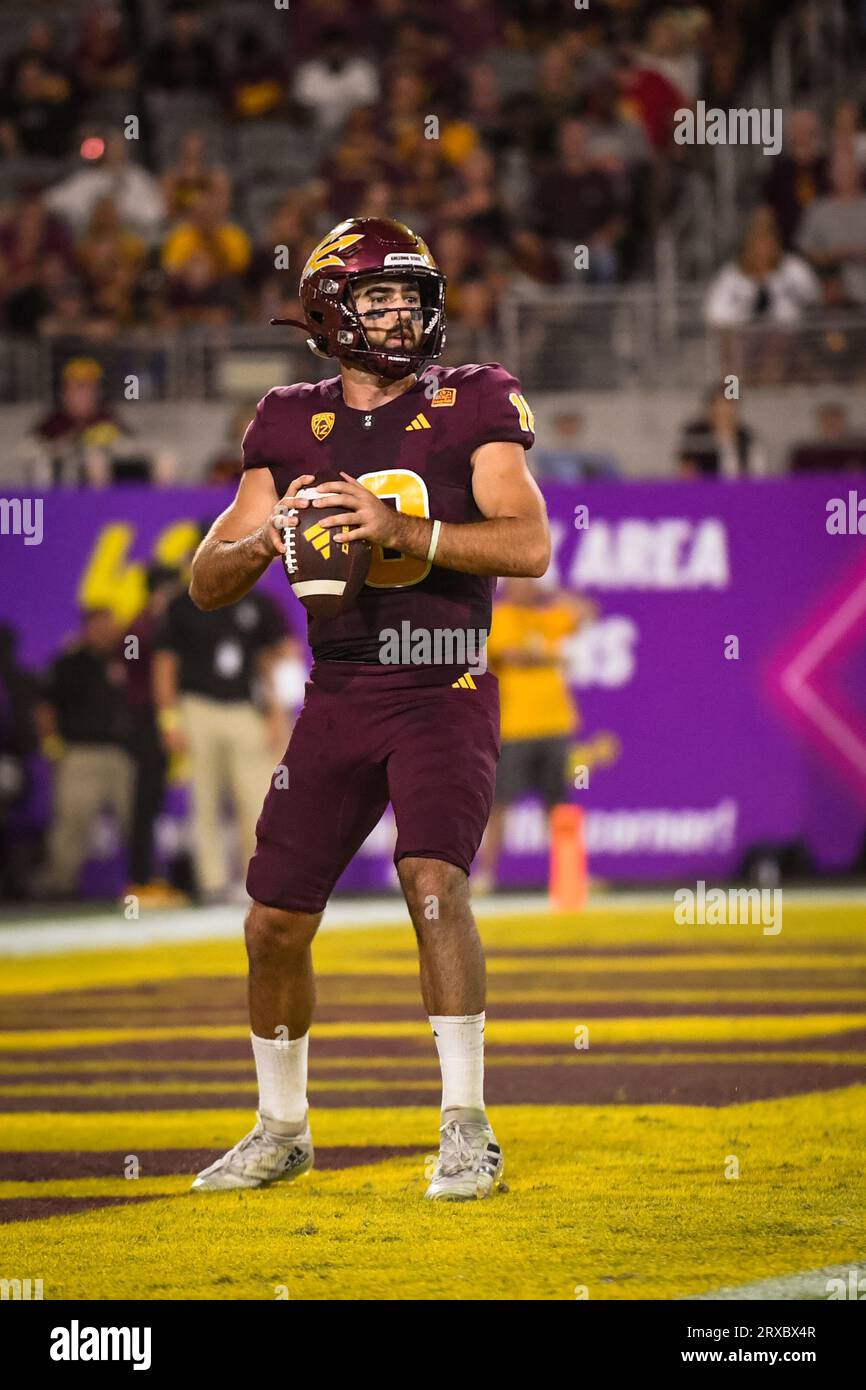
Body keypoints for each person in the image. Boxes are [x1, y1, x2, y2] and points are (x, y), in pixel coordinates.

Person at [187, 216, 549, 1200]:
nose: (399, 314)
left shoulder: (472, 397)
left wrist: (405, 528)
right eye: (376, 297)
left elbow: (526, 544)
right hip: (339, 689)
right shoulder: (285, 419)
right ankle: (281, 1126)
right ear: (326, 311)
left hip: (443, 679)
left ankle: (466, 1125)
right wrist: (257, 546)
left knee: (431, 878)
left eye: (409, 296)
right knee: (270, 923)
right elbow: (203, 577)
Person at [152, 564, 293, 906]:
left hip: (246, 708)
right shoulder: (182, 605)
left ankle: (256, 883)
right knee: (204, 799)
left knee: (258, 800)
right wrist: (169, 719)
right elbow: (165, 664)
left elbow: (271, 660)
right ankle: (212, 883)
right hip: (197, 706)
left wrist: (276, 713)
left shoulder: (257, 603)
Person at [475, 578, 591, 892]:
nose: (525, 588)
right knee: (499, 804)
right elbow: (511, 655)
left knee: (559, 805)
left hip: (555, 724)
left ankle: (571, 877)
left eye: (530, 583)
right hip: (516, 727)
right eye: (520, 583)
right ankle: (486, 874)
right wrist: (554, 658)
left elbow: (587, 612)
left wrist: (551, 592)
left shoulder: (547, 616)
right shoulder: (500, 616)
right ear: (508, 586)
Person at [35, 608, 134, 898]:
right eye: (99, 626)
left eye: (110, 625)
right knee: (72, 820)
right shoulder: (68, 663)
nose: (106, 631)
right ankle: (59, 885)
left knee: (134, 819)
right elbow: (45, 707)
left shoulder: (129, 657)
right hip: (80, 753)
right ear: (86, 629)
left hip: (121, 753)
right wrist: (51, 744)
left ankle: (143, 883)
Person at [677, 387, 766, 479]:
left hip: (740, 490)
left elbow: (758, 473)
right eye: (718, 406)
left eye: (728, 406)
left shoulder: (747, 437)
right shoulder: (696, 435)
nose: (722, 412)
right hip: (706, 490)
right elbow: (686, 473)